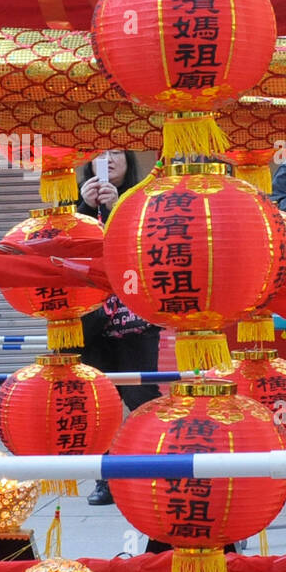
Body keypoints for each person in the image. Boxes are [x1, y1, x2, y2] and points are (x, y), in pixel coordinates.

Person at [76, 150, 161, 505]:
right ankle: (105, 478)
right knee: (100, 405)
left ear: (129, 160)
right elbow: (68, 248)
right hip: (89, 318)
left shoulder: (142, 198)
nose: (107, 160)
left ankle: (154, 470)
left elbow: (146, 245)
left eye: (115, 154)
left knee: (141, 396)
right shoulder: (72, 199)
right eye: (99, 154)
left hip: (134, 318)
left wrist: (115, 209)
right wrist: (84, 208)